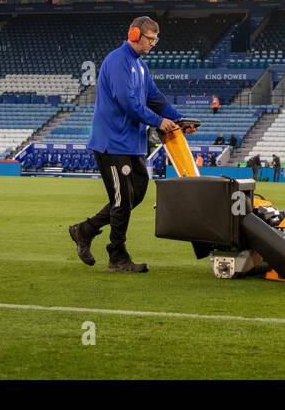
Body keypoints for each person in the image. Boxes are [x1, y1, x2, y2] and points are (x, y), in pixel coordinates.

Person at [68, 16, 196, 273]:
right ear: (135, 34)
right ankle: (117, 256)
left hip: (132, 144)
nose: (153, 44)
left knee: (135, 194)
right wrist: (159, 122)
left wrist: (178, 119)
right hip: (112, 144)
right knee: (122, 199)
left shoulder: (140, 66)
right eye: (150, 39)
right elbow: (127, 102)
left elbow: (155, 98)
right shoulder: (118, 61)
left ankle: (86, 229)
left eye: (156, 40)